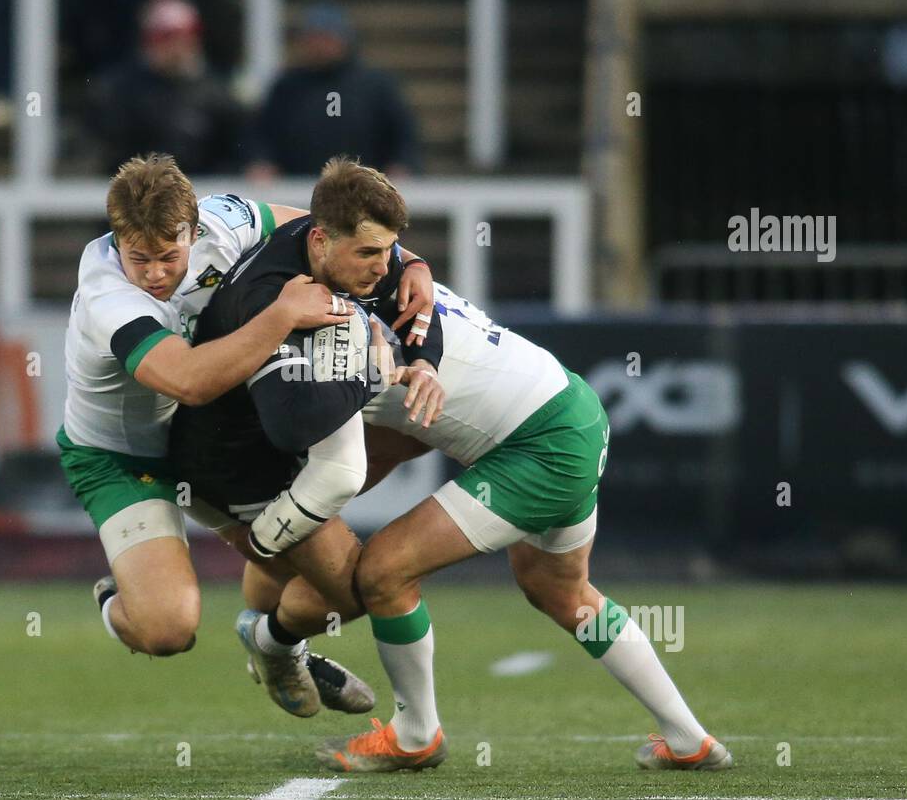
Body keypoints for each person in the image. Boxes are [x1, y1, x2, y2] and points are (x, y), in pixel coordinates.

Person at [243, 281, 733, 773]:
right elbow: (402, 441)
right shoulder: (400, 284)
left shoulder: (342, 339)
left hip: (543, 445)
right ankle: (688, 738)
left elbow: (385, 445)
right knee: (563, 592)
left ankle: (414, 736)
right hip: (574, 412)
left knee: (384, 572)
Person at [62, 154, 432, 709]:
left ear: (195, 228)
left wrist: (411, 263)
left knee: (345, 592)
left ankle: (277, 647)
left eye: (169, 256)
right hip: (123, 458)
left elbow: (320, 229)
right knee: (168, 631)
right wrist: (281, 315)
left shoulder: (225, 219)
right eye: (139, 258)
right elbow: (188, 381)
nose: (156, 274)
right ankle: (122, 601)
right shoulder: (109, 297)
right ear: (118, 241)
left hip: (210, 439)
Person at [169, 158, 445, 717]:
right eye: (370, 254)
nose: (382, 266)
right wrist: (373, 374)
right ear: (319, 241)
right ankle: (277, 647)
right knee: (355, 592)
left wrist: (425, 359)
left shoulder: (349, 251)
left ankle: (274, 637)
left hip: (271, 450)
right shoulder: (274, 293)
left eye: (390, 249)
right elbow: (292, 425)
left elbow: (415, 306)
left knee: (409, 440)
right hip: (231, 464)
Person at [246, 4, 420, 181]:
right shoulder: (286, 87)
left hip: (362, 191)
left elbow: (403, 135)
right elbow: (263, 135)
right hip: (298, 188)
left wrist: (401, 164)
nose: (320, 45)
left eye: (326, 38)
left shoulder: (375, 86)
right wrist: (262, 161)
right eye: (313, 38)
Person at [88, 0, 242, 175]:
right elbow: (106, 153)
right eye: (167, 37)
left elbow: (237, 147)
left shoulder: (216, 91)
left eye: (187, 35)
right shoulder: (119, 92)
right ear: (148, 39)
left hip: (199, 193)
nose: (178, 46)